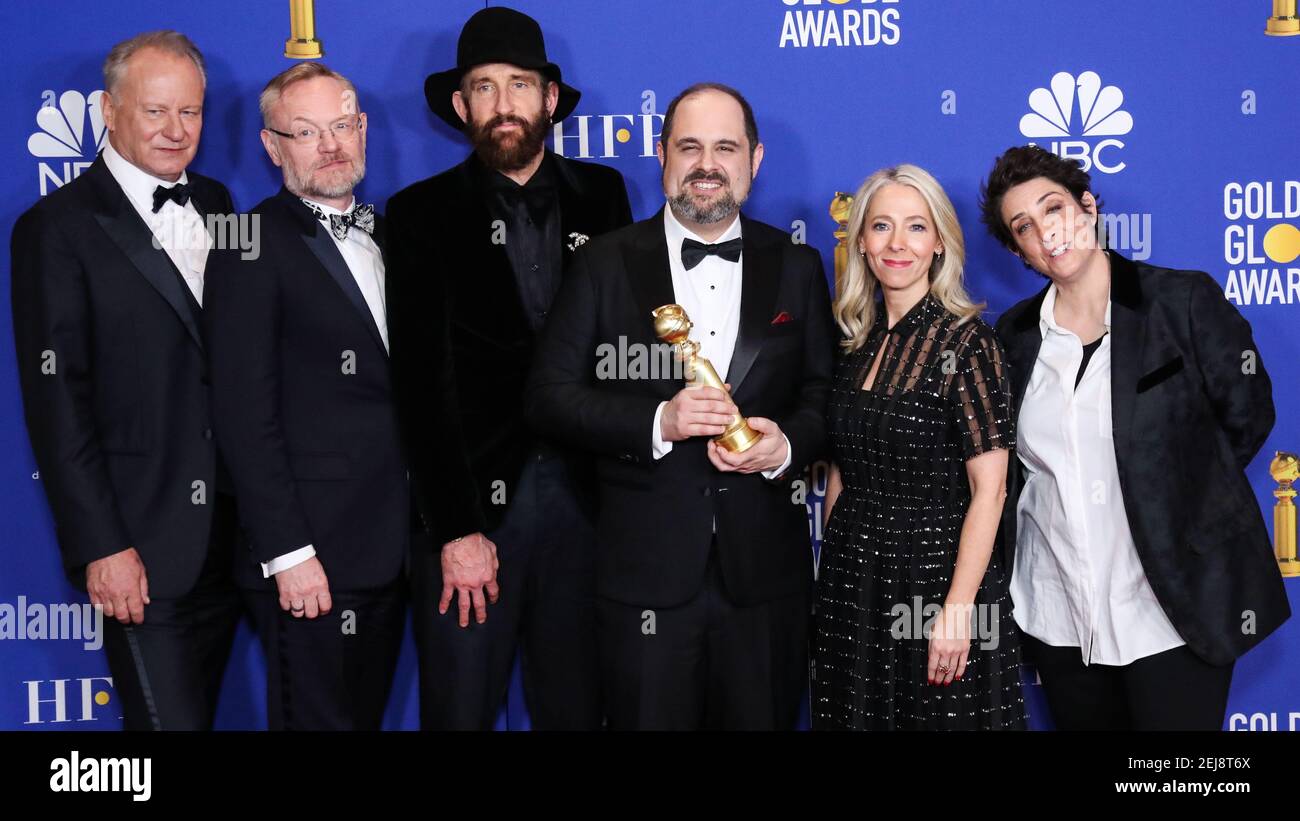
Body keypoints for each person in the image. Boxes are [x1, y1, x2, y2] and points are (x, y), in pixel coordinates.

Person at [525, 83, 834, 730]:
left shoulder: (798, 265)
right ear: (662, 155)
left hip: (766, 582)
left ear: (755, 158)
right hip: (643, 582)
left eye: (726, 147)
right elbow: (548, 398)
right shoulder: (604, 263)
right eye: (689, 146)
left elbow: (823, 395)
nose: (707, 164)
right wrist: (656, 422)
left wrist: (787, 447)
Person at [981, 144, 1291, 730]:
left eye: (1054, 209)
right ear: (1017, 250)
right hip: (1060, 617)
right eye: (1024, 226)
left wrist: (1173, 500)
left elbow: (1248, 416)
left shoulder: (1181, 301)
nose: (1047, 233)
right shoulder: (1015, 337)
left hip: (1171, 607)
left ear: (1089, 206)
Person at [386, 6, 633, 730]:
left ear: (549, 99)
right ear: (462, 105)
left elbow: (629, 354)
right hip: (471, 514)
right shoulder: (418, 214)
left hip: (588, 508)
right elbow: (420, 385)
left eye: (520, 84)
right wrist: (456, 530)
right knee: (460, 711)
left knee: (578, 711)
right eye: (484, 88)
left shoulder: (605, 195)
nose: (504, 105)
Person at [10, 30, 241, 730]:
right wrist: (101, 546)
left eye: (191, 113)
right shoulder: (56, 228)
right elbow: (57, 403)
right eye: (155, 112)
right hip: (141, 543)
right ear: (109, 111)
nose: (177, 131)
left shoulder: (220, 203)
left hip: (233, 543)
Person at [204, 63, 408, 730]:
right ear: (272, 146)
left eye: (342, 126)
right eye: (306, 131)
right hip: (310, 555)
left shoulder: (390, 234)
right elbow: (242, 413)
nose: (330, 145)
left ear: (363, 129)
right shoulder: (251, 243)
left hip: (390, 545)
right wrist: (289, 554)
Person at [811, 165, 1026, 730]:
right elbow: (842, 471)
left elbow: (992, 488)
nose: (897, 243)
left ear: (938, 244)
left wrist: (958, 611)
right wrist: (829, 573)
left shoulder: (968, 343)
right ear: (861, 241)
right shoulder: (855, 341)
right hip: (852, 583)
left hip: (935, 580)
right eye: (881, 226)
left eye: (915, 227)